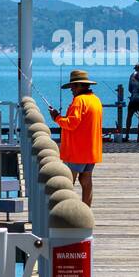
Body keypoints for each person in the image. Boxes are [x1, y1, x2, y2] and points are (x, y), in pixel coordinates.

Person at [49, 69, 103, 206]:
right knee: (86, 182)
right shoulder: (96, 100)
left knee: (68, 183)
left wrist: (56, 117)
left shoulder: (79, 101)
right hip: (91, 150)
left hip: (77, 151)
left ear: (79, 85)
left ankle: (67, 211)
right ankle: (86, 210)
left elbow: (71, 124)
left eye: (73, 86)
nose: (71, 90)